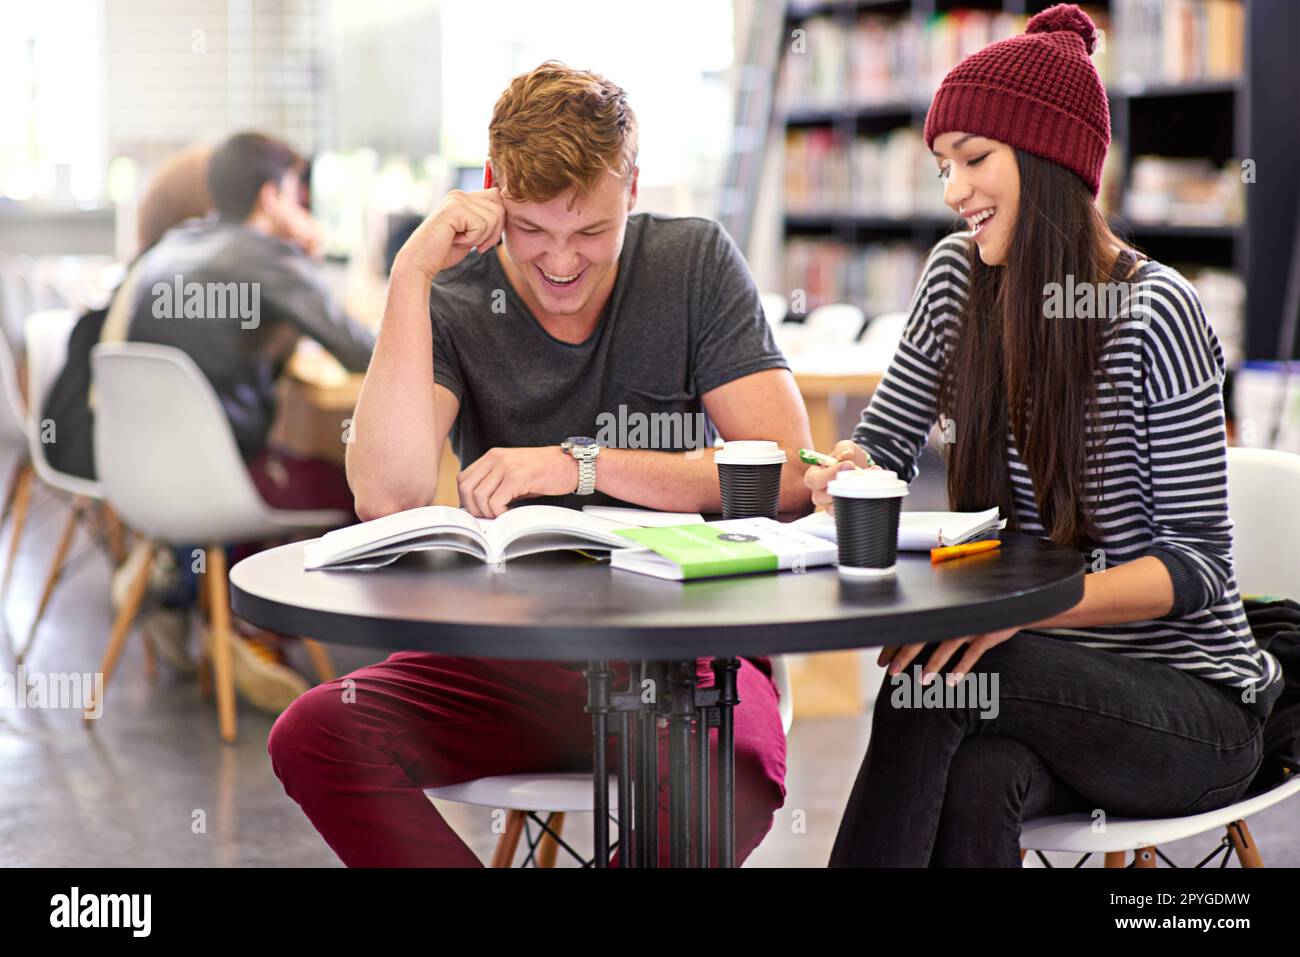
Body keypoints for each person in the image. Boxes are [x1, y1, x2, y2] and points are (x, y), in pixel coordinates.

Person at [268, 61, 815, 866]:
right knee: (318, 733)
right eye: (532, 230)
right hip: (510, 653)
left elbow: (791, 474)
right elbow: (386, 496)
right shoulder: (454, 293)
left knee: (728, 770)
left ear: (633, 188)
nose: (561, 262)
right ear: (491, 192)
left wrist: (580, 465)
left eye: (590, 232)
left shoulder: (693, 261)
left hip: (685, 651)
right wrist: (410, 275)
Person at [804, 4, 1283, 867]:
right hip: (1043, 689)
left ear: (1051, 158)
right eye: (944, 165)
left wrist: (1026, 611)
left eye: (975, 159)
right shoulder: (957, 276)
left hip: (1191, 708)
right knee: (980, 772)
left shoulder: (1154, 311)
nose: (953, 192)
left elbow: (1197, 565)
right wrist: (846, 469)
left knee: (934, 677)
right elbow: (883, 445)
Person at [113, 132, 376, 712]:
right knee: (348, 488)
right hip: (221, 476)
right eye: (296, 192)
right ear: (271, 195)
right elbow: (367, 353)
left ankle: (183, 583)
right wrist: (304, 262)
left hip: (142, 477)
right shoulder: (269, 258)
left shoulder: (175, 243)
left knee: (280, 459)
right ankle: (249, 631)